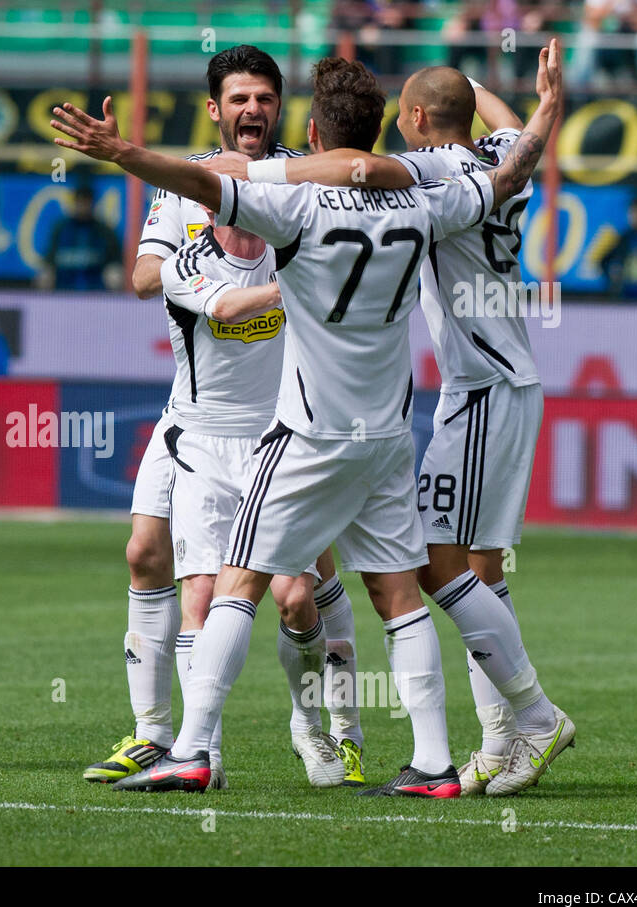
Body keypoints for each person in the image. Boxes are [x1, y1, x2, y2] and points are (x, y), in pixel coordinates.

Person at [54, 41, 564, 796]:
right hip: (388, 436)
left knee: (238, 583)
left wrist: (122, 151)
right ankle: (433, 760)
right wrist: (548, 111)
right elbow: (504, 179)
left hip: (307, 432)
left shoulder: (289, 200)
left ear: (314, 135)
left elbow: (196, 179)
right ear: (383, 124)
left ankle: (191, 748)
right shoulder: (425, 197)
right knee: (401, 592)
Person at [215, 62, 577, 796]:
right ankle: (506, 736)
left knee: (450, 568)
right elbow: (518, 136)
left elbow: (354, 164)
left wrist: (264, 172)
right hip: (501, 380)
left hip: (482, 383)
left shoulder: (427, 168)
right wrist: (525, 101)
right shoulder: (499, 152)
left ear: (413, 120)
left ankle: (524, 725)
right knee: (465, 566)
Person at [81, 45, 362, 793]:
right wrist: (188, 264)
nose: (252, 111)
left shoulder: (305, 180)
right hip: (196, 422)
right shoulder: (184, 190)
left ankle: (326, 726)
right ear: (216, 109)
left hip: (288, 422)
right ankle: (159, 738)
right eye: (238, 99)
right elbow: (142, 277)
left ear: (279, 106)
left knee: (301, 590)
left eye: (264, 98)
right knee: (153, 557)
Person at [154, 222, 344, 790]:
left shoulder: (294, 251)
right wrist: (293, 286)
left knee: (294, 597)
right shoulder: (182, 264)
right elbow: (227, 309)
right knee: (203, 595)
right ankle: (202, 750)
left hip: (279, 440)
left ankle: (308, 725)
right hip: (204, 442)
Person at [38, 183, 121, 290]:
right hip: (63, 290)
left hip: (96, 292)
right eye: (80, 201)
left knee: (115, 276)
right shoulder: (61, 229)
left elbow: (115, 263)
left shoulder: (104, 231)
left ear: (93, 203)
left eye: (86, 202)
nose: (83, 206)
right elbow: (48, 262)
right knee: (44, 276)